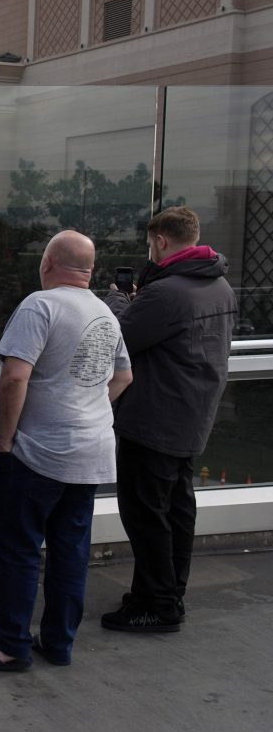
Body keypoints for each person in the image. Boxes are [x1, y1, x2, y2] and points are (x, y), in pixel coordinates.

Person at [0, 231, 132, 671]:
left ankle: (9, 644)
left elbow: (15, 376)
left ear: (49, 262)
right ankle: (57, 643)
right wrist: (87, 408)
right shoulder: (105, 312)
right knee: (70, 549)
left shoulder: (41, 305)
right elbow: (124, 377)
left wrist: (5, 440)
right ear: (89, 270)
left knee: (18, 547)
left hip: (38, 452)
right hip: (90, 452)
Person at [100, 206, 237, 632]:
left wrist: (119, 300)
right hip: (192, 416)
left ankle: (153, 604)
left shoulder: (167, 293)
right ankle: (170, 593)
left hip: (153, 418)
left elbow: (118, 339)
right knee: (177, 510)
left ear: (160, 241)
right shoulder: (219, 287)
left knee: (145, 514)